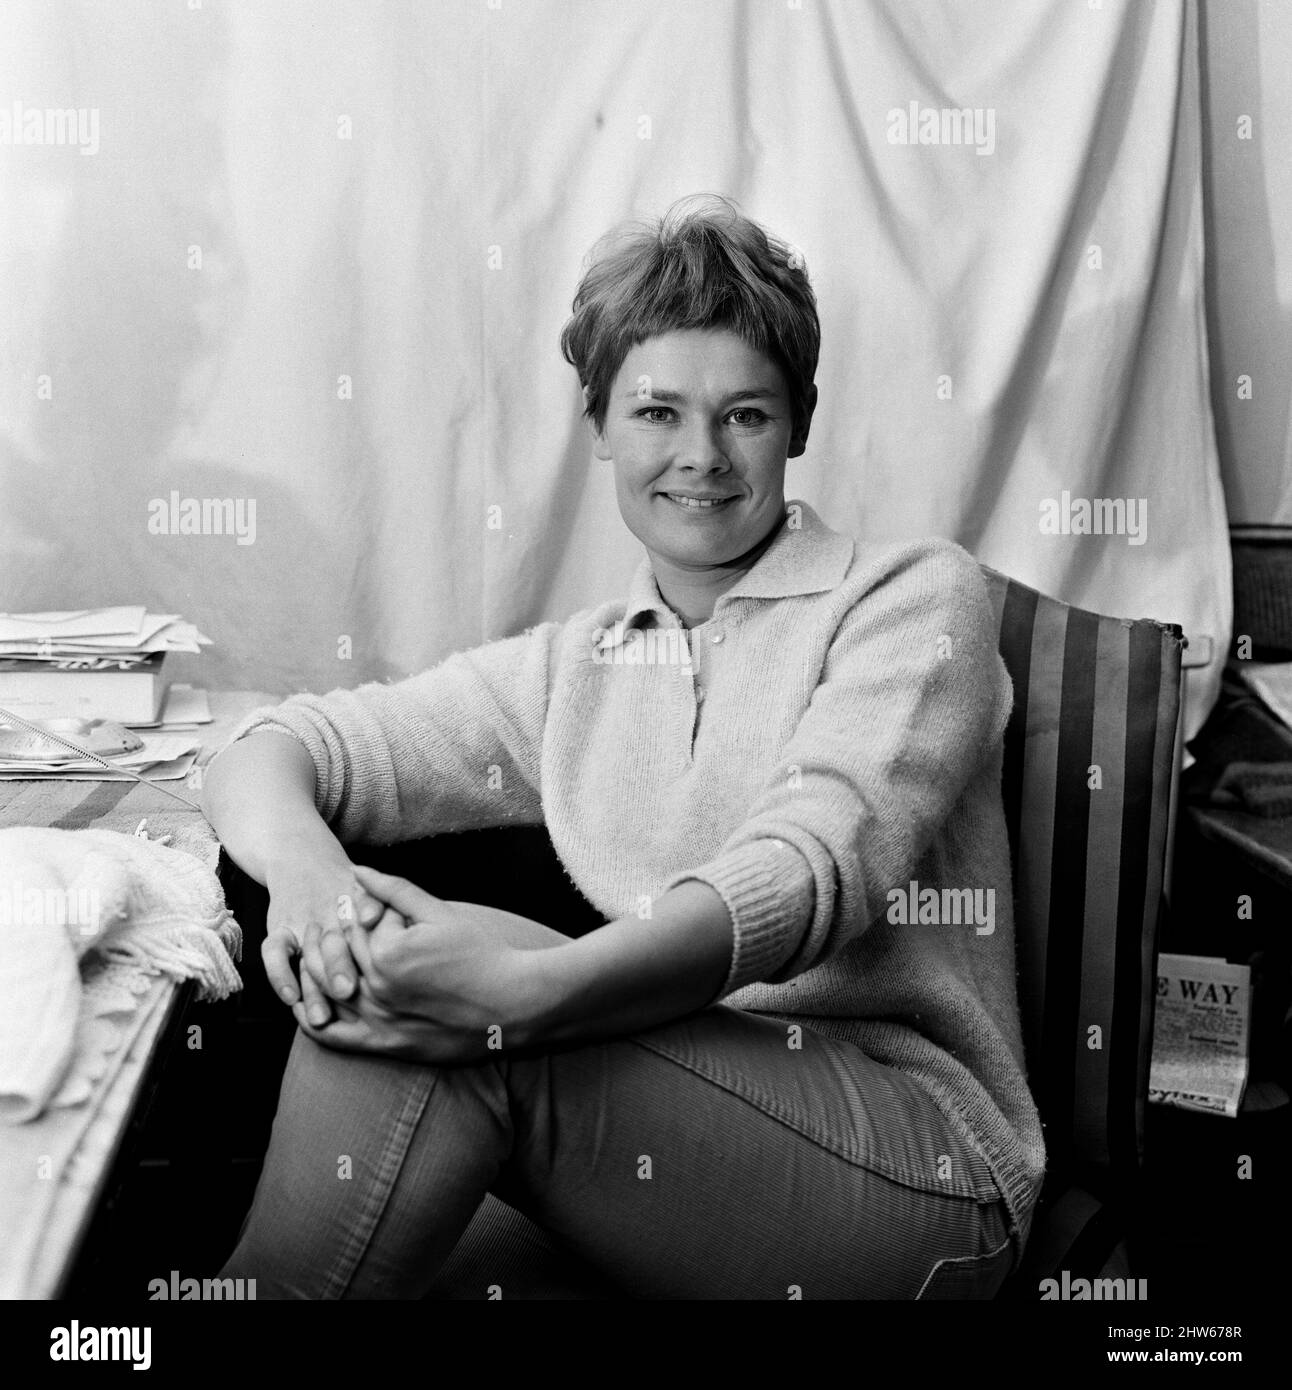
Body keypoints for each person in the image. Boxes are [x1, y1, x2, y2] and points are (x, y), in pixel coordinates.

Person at [205, 194, 1045, 1299]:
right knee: (393, 1043)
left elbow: (802, 871)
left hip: (920, 1170)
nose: (699, 456)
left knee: (442, 1018)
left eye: (743, 414)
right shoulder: (582, 664)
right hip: (686, 1137)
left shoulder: (909, 597)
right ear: (597, 423)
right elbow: (268, 747)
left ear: (797, 421)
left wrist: (524, 995)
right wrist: (314, 891)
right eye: (655, 412)